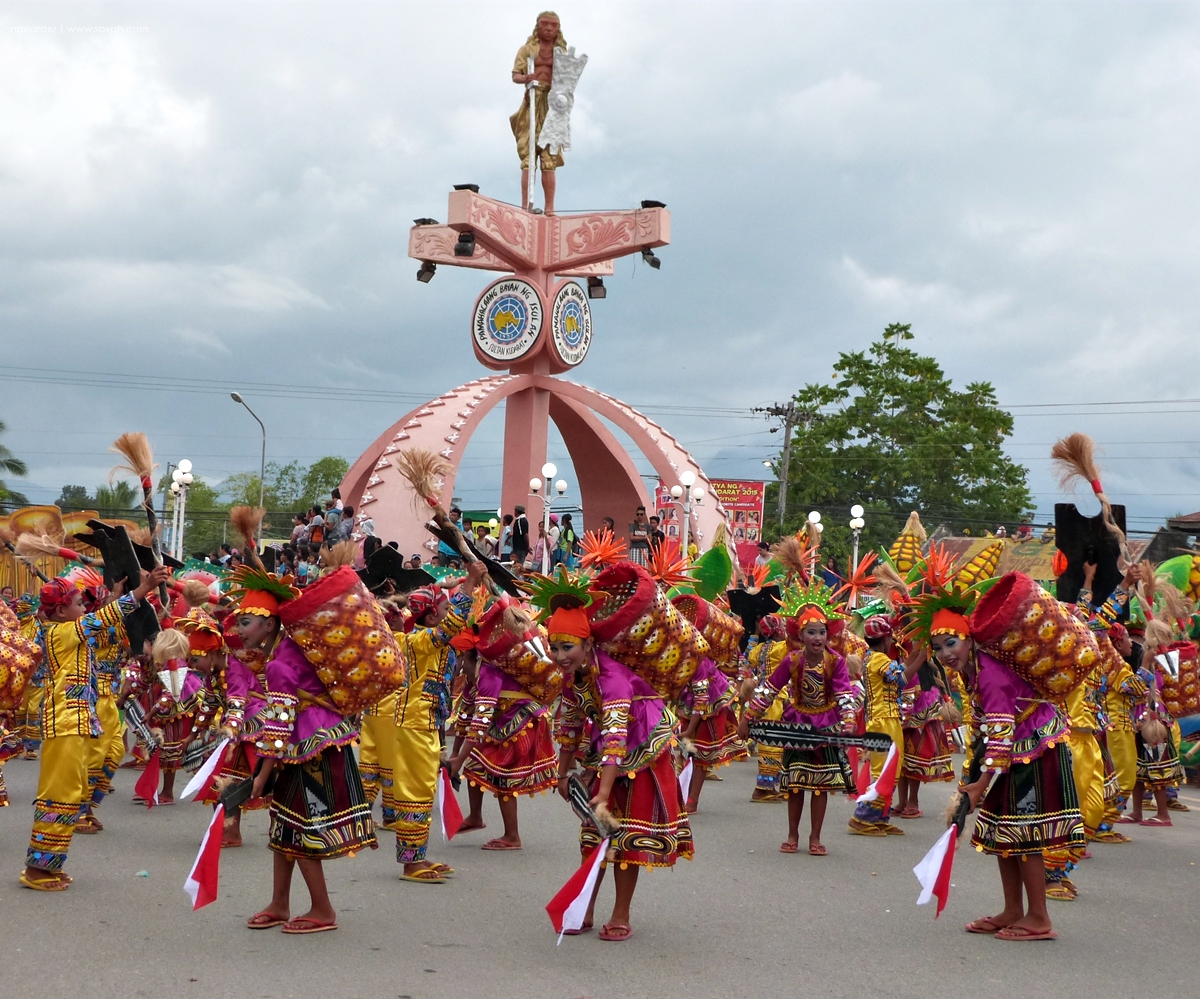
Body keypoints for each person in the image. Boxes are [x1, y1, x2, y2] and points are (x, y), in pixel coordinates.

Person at [926, 584, 1084, 941]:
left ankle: (1039, 917)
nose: (945, 653)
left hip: (1035, 751)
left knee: (1024, 834)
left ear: (969, 640)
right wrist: (970, 781)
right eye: (937, 648)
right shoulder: (970, 671)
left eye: (951, 643)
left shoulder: (990, 673)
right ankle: (1013, 910)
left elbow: (1000, 737)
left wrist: (980, 786)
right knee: (1003, 831)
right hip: (1014, 752)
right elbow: (984, 730)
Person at [233, 564, 377, 934]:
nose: (238, 630)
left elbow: (279, 724)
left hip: (312, 751)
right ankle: (279, 903)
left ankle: (323, 909)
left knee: (302, 827)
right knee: (284, 824)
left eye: (246, 622)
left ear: (269, 625)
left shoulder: (281, 663)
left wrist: (261, 776)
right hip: (312, 746)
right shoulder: (289, 649)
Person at [550, 593, 693, 941]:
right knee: (593, 834)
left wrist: (602, 792)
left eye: (567, 647)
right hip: (609, 748)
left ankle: (621, 914)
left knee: (626, 835)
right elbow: (570, 726)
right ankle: (583, 908)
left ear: (587, 644)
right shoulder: (572, 677)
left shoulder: (612, 677)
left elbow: (616, 738)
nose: (560, 656)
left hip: (644, 749)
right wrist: (562, 773)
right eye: (554, 648)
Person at [22, 564, 169, 890]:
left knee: (70, 793)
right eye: (79, 604)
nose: (84, 609)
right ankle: (36, 870)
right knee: (58, 795)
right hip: (64, 724)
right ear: (62, 611)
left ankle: (48, 865)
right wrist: (143, 590)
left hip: (74, 722)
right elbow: (102, 618)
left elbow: (107, 623)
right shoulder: (60, 633)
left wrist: (124, 597)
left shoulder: (67, 631)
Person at [739, 582, 856, 857]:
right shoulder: (791, 660)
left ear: (828, 634)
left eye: (822, 632)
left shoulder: (836, 662)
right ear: (800, 635)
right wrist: (747, 718)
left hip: (826, 729)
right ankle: (793, 834)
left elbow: (844, 693)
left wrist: (848, 721)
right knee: (795, 784)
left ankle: (815, 837)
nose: (817, 637)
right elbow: (768, 690)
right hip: (797, 728)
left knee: (820, 786)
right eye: (811, 632)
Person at [392, 563, 487, 883]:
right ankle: (410, 863)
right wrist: (470, 584)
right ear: (432, 618)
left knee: (423, 790)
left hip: (425, 723)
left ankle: (417, 856)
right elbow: (452, 627)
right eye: (445, 610)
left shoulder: (428, 640)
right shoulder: (421, 640)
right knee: (415, 793)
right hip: (414, 724)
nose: (450, 615)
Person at [848, 615, 921, 836]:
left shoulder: (874, 658)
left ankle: (880, 817)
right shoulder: (879, 659)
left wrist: (918, 651)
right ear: (887, 639)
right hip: (883, 721)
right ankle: (862, 818)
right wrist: (921, 658)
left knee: (892, 768)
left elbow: (899, 669)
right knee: (884, 771)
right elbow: (901, 680)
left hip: (885, 720)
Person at [510, 12, 567, 214]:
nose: (549, 29)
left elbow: (567, 78)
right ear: (538, 26)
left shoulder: (561, 52)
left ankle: (550, 207)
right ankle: (525, 205)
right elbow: (515, 75)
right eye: (545, 24)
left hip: (553, 103)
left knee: (549, 155)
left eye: (554, 25)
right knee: (528, 153)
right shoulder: (527, 49)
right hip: (532, 100)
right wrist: (526, 78)